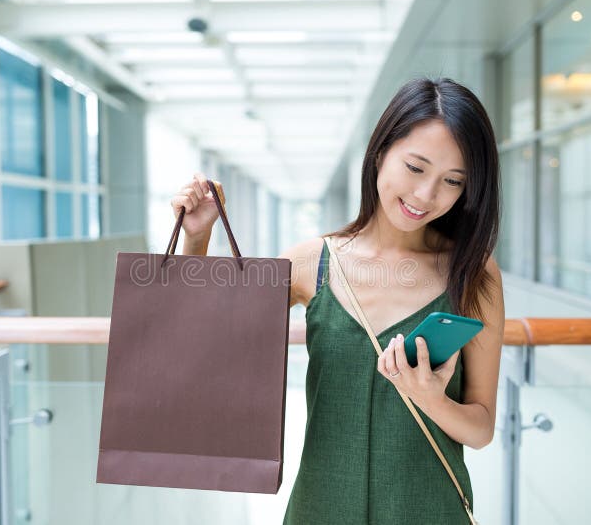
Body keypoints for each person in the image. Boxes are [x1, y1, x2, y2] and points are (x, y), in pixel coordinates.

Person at [171, 77, 505, 524]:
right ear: (380, 152)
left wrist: (432, 398)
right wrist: (197, 238)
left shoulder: (472, 270)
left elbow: (480, 428)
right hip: (322, 507)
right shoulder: (312, 262)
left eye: (452, 180)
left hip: (430, 510)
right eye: (415, 167)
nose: (426, 195)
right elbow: (203, 341)